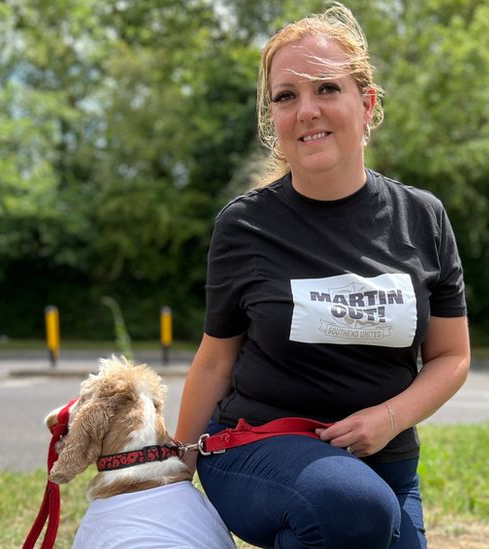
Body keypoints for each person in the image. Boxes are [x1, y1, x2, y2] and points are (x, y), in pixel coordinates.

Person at [174, 4, 470, 548]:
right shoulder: (245, 226)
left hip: (387, 465)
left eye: (326, 89)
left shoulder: (423, 217)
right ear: (274, 119)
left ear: (367, 103)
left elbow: (452, 357)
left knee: (358, 510)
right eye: (286, 96)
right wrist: (173, 468)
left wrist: (389, 417)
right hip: (257, 451)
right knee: (349, 507)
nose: (306, 109)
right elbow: (215, 359)